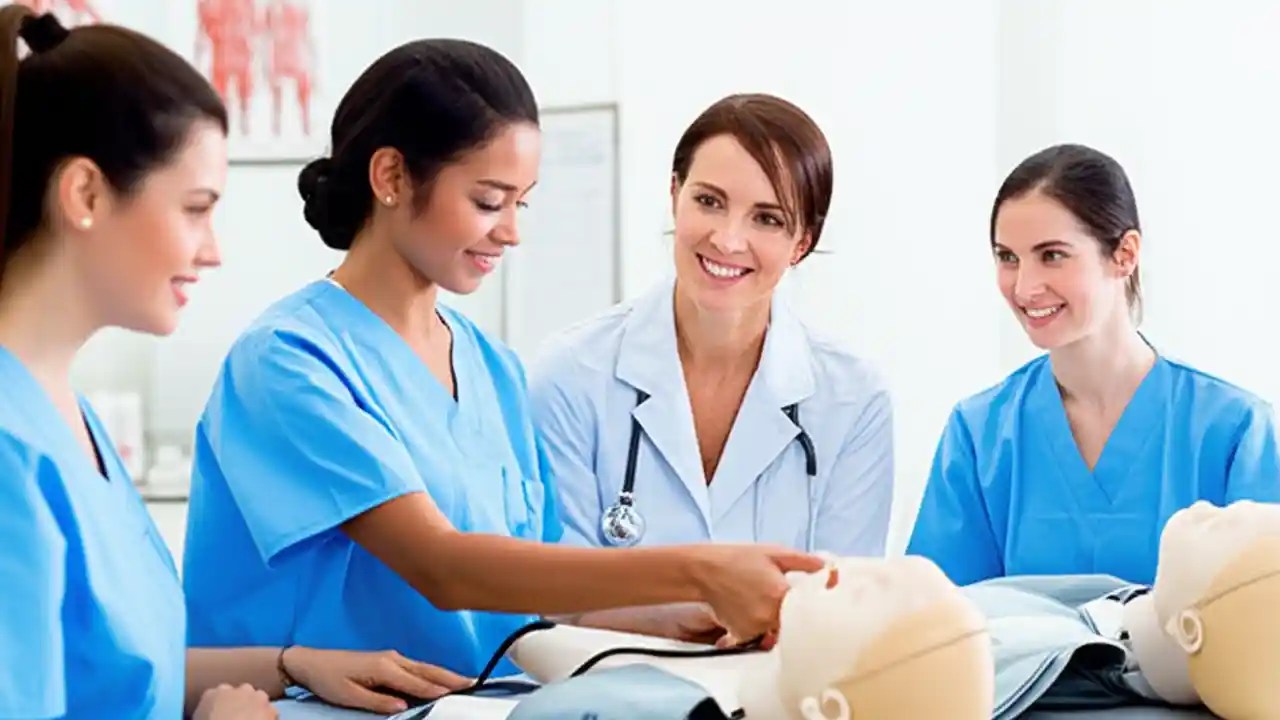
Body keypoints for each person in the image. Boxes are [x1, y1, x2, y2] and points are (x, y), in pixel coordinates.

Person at [181, 39, 824, 680]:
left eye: (523, 202)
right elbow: (442, 567)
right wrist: (699, 569)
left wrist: (671, 616)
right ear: (392, 178)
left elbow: (539, 598)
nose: (512, 231)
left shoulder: (493, 369)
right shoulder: (289, 361)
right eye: (489, 201)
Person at [0, 10, 482, 719]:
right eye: (195, 209)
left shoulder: (68, 418)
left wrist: (290, 665)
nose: (213, 250)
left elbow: (116, 671)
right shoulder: (13, 450)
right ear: (86, 195)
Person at [528, 94, 893, 566]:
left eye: (767, 219)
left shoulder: (854, 399)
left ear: (801, 242)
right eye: (709, 201)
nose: (727, 239)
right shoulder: (571, 374)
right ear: (674, 194)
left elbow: (844, 595)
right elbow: (561, 588)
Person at [906, 143, 1280, 587]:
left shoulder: (1233, 430)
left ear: (1125, 254)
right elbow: (937, 614)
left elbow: (1260, 611)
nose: (1024, 288)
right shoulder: (979, 434)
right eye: (1007, 257)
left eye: (1052, 255)